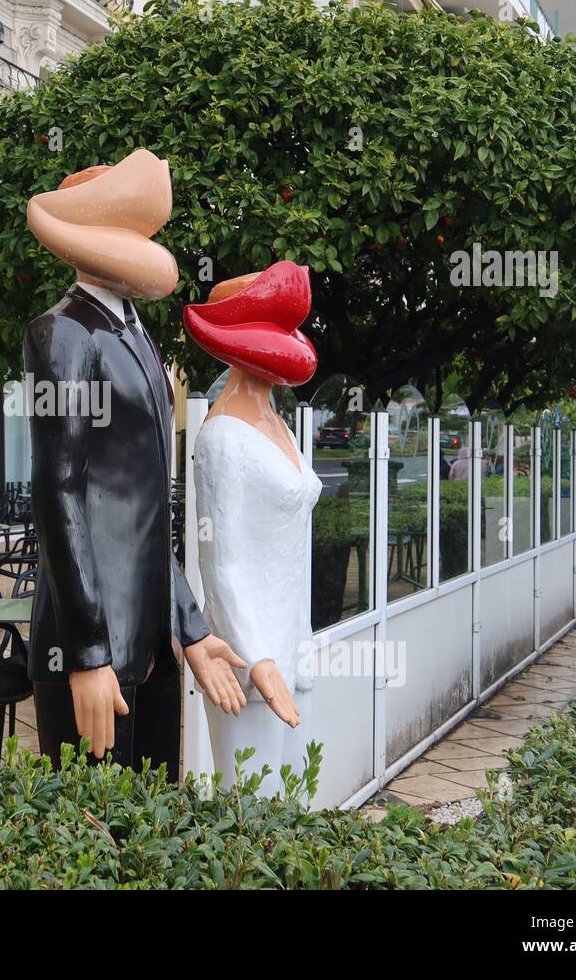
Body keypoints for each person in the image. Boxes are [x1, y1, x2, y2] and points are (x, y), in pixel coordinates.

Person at [24, 149, 247, 779]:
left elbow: (149, 511)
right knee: (91, 843)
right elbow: (58, 493)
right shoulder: (61, 334)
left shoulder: (137, 336)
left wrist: (191, 626)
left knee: (154, 831)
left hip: (154, 642)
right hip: (91, 647)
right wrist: (86, 655)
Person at [185, 261, 322, 795]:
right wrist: (258, 656)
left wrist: (292, 650)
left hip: (294, 646)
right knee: (253, 817)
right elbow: (221, 563)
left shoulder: (277, 422)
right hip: (250, 660)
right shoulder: (221, 438)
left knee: (298, 808)